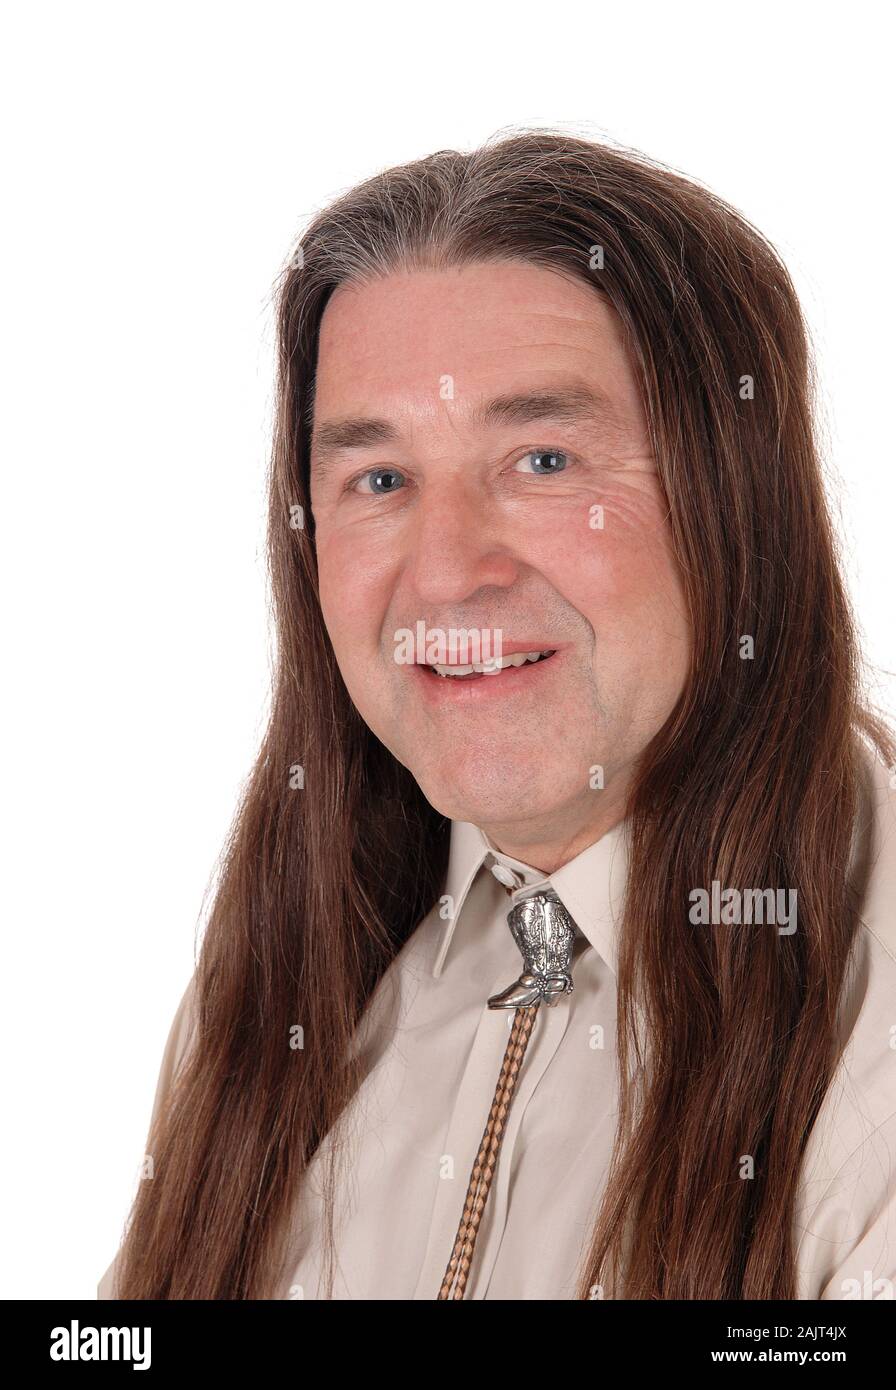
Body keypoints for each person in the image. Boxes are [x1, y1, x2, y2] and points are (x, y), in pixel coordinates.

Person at [98, 130, 896, 1301]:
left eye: (541, 460)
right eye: (379, 480)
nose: (442, 574)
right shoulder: (288, 967)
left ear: (737, 499)